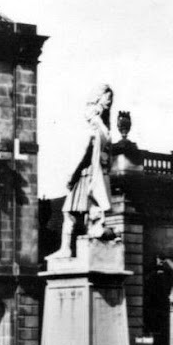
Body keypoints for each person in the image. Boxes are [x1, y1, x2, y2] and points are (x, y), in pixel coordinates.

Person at [54, 84, 115, 257]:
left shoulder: (94, 129)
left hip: (86, 176)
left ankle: (65, 249)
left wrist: (71, 177)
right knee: (90, 213)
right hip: (98, 176)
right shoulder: (106, 131)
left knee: (68, 213)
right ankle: (90, 243)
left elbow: (84, 155)